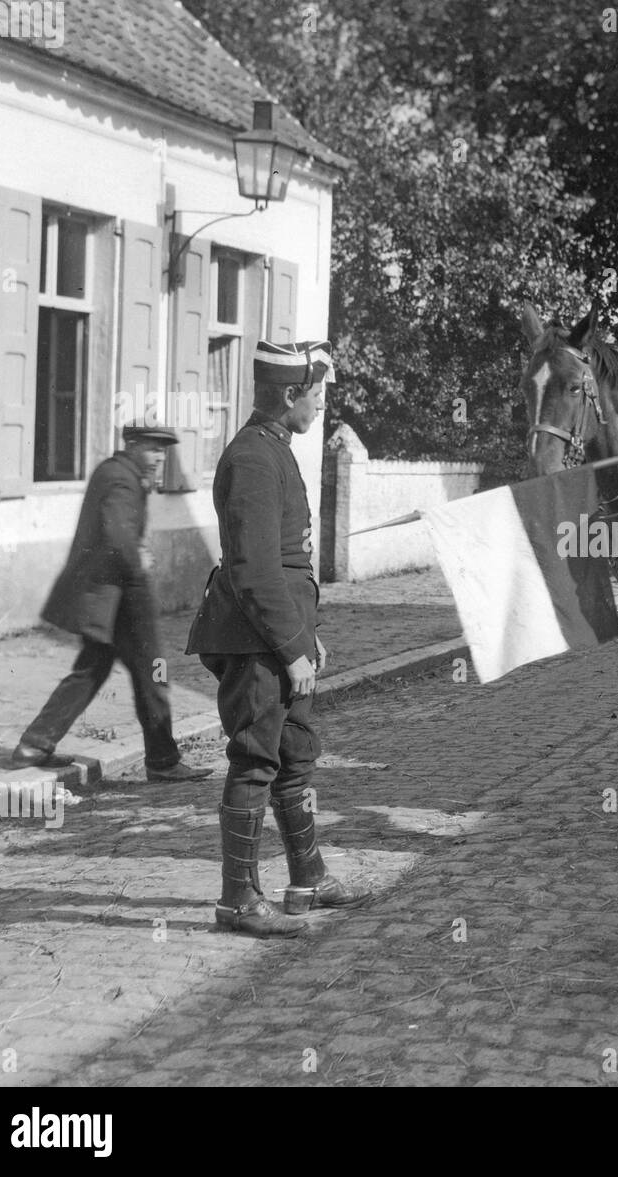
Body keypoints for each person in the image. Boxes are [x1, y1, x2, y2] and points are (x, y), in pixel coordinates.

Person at [187, 339, 368, 937]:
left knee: (296, 759)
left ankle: (307, 877)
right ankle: (238, 899)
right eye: (315, 397)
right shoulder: (252, 460)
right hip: (256, 643)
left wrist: (306, 638)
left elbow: (289, 564)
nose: (319, 408)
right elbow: (255, 571)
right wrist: (291, 648)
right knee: (254, 762)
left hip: (284, 636)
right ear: (290, 394)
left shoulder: (275, 449)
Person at [13, 425, 212, 784]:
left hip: (108, 598)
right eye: (153, 450)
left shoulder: (116, 472)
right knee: (153, 671)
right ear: (132, 446)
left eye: (164, 453)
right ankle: (163, 761)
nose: (159, 459)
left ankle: (34, 745)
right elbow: (118, 533)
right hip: (122, 595)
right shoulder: (121, 478)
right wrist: (139, 558)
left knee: (93, 668)